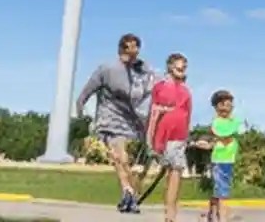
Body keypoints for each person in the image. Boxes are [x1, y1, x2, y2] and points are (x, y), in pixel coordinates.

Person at [76, 33, 158, 213]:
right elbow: (88, 89)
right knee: (119, 155)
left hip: (131, 119)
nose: (133, 52)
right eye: (129, 48)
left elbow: (156, 86)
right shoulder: (107, 69)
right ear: (121, 49)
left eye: (136, 48)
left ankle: (128, 193)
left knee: (123, 159)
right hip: (109, 117)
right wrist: (80, 105)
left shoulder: (143, 69)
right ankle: (129, 192)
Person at [146, 54, 192, 222]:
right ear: (170, 67)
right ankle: (169, 212)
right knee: (172, 172)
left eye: (184, 67)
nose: (182, 70)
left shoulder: (186, 91)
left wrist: (187, 137)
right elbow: (153, 112)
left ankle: (170, 214)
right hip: (164, 136)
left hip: (179, 137)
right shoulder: (160, 87)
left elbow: (187, 115)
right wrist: (150, 138)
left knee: (176, 171)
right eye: (179, 67)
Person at [205, 90, 241, 222]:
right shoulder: (217, 122)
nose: (228, 107)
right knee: (223, 191)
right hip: (219, 160)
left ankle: (211, 214)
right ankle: (222, 217)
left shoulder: (233, 121)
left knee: (219, 190)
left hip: (229, 159)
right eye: (224, 104)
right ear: (217, 107)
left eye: (230, 104)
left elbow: (237, 129)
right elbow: (224, 134)